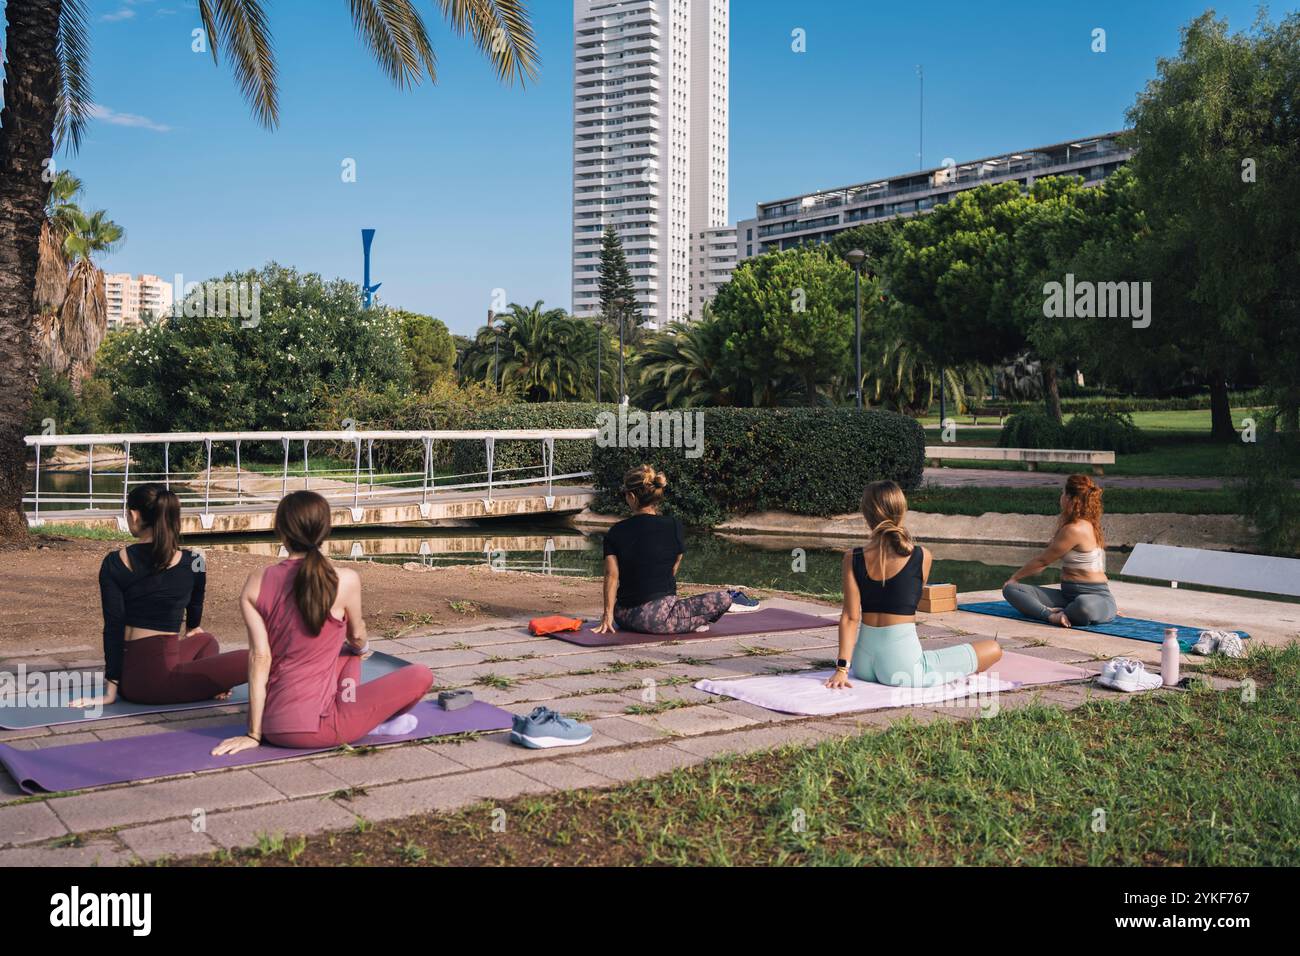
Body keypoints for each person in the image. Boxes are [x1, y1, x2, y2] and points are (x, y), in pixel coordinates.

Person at [211, 491, 432, 755]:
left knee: (347, 654)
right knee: (420, 674)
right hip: (320, 729)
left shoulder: (256, 581)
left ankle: (357, 715)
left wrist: (254, 733)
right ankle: (369, 723)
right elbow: (358, 636)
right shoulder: (345, 580)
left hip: (272, 725)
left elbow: (260, 659)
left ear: (280, 530)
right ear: (325, 530)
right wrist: (362, 647)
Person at [76, 483, 247, 708]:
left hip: (133, 678)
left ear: (134, 515)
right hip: (155, 684)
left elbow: (114, 627)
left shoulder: (114, 562)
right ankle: (212, 683)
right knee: (257, 658)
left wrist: (112, 688)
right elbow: (195, 610)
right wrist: (194, 626)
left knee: (205, 640)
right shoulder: (195, 561)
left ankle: (210, 682)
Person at [827, 480, 1001, 690]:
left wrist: (842, 669)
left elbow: (850, 617)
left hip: (863, 665)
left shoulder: (852, 557)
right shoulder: (922, 556)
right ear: (902, 511)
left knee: (927, 656)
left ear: (866, 515)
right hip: (903, 670)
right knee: (993, 648)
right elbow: (909, 600)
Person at [592, 464, 743, 635]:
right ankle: (692, 622)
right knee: (724, 598)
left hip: (623, 616)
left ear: (632, 497)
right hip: (656, 619)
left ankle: (688, 620)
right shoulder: (673, 525)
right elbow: (673, 567)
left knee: (676, 606)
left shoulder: (616, 530)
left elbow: (611, 576)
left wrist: (608, 616)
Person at [1002, 474, 1118, 627]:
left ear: (1070, 499)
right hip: (1067, 596)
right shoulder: (1088, 524)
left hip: (1095, 597)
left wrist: (1014, 577)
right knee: (1012, 590)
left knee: (1083, 605)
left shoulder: (1075, 529)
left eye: (1063, 493)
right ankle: (1052, 615)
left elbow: (1043, 561)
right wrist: (1012, 584)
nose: (1061, 496)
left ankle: (1079, 611)